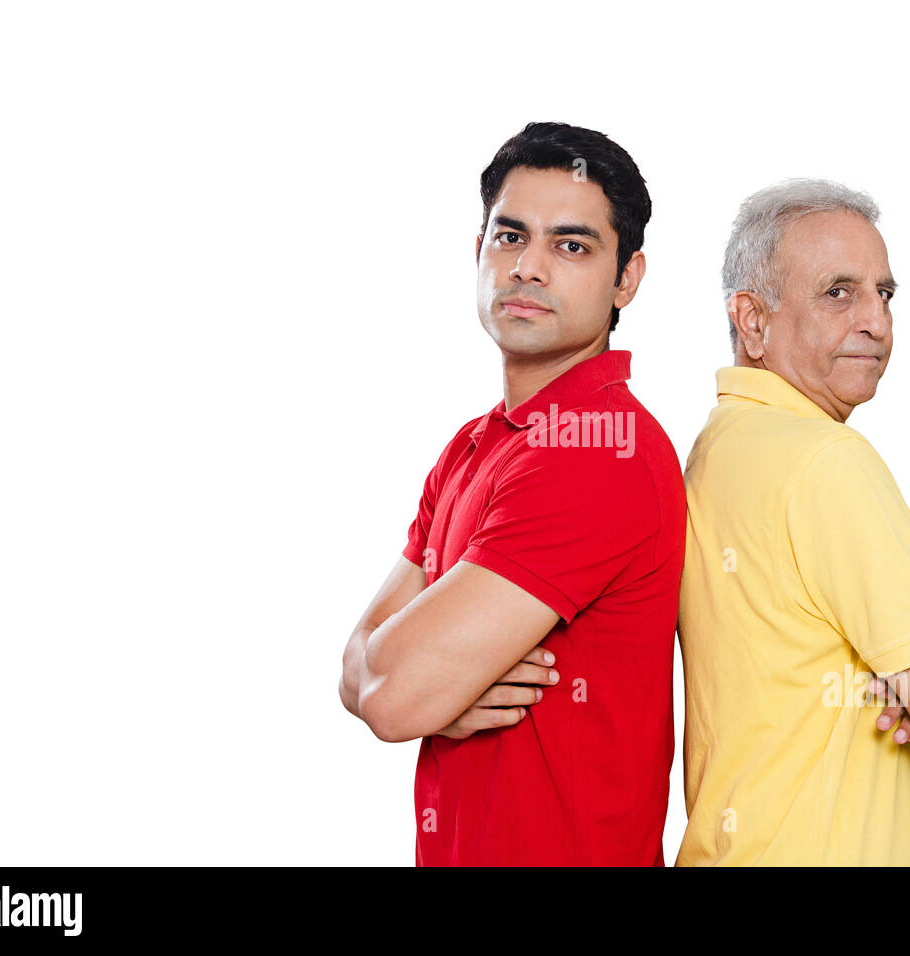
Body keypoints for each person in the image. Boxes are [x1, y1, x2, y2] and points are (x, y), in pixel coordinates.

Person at [338, 122, 686, 866]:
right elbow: (358, 671)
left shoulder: (597, 452)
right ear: (478, 251)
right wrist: (426, 688)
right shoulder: (477, 443)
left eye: (571, 245)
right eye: (509, 237)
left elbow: (391, 693)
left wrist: (418, 686)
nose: (528, 267)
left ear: (627, 279)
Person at [676, 179, 910, 866]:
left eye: (883, 294)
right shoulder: (827, 462)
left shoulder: (715, 451)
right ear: (752, 320)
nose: (877, 322)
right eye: (839, 292)